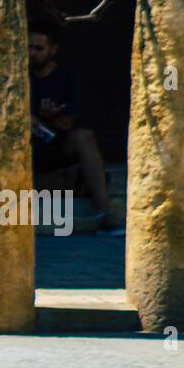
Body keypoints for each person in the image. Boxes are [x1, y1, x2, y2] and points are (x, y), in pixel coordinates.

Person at [28, 20, 119, 235]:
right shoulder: (19, 74)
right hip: (27, 148)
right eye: (29, 47)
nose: (32, 53)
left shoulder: (67, 76)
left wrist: (46, 118)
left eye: (39, 48)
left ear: (53, 50)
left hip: (57, 145)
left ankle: (105, 213)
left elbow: (68, 122)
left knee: (84, 137)